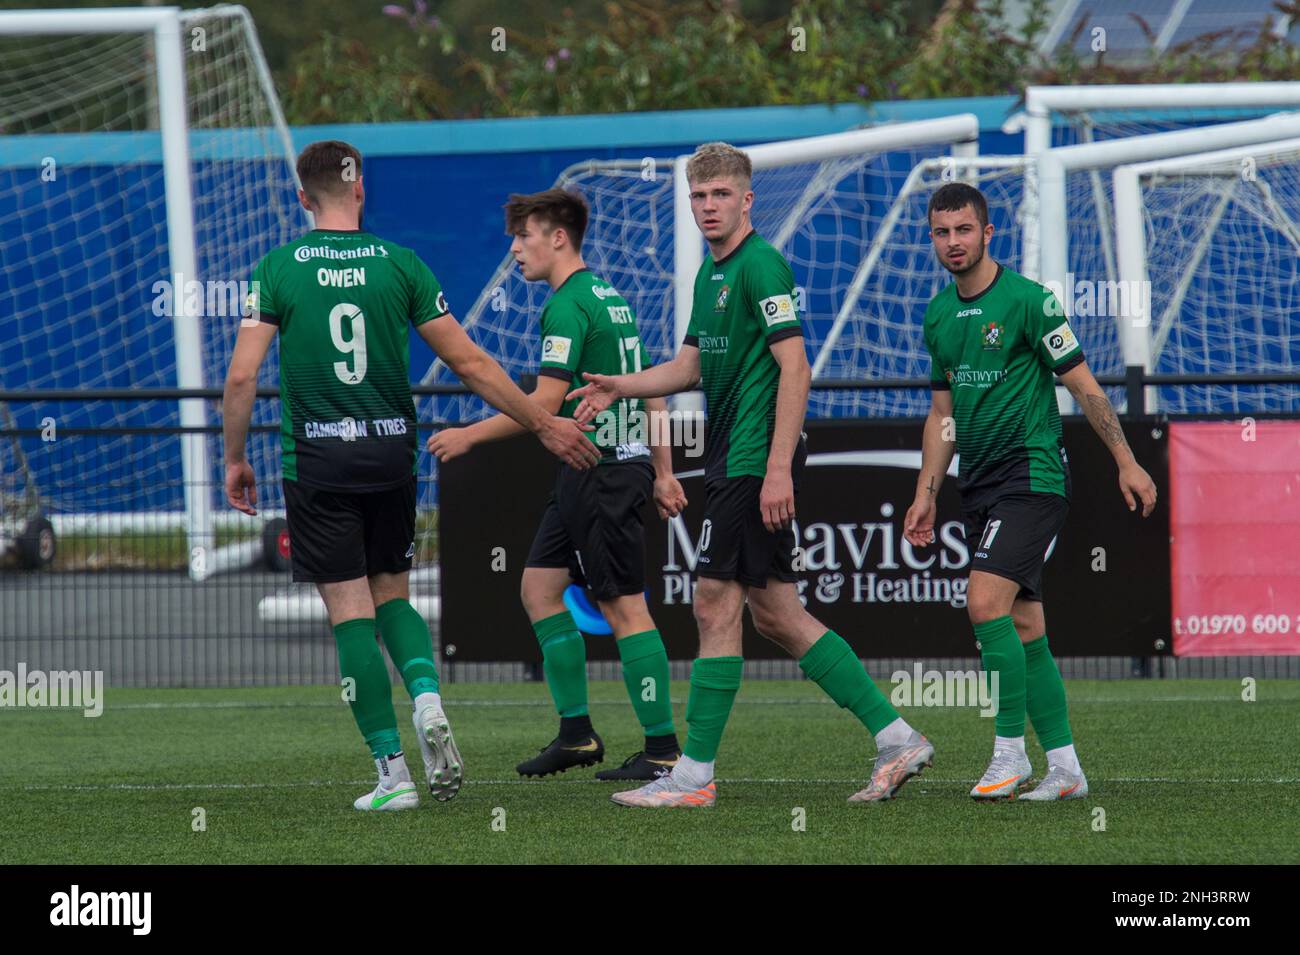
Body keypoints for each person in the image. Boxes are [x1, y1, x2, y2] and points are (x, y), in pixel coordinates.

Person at [222, 140, 599, 812]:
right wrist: (543, 425)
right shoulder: (402, 264)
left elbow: (243, 374)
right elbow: (474, 364)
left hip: (318, 460)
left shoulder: (277, 268)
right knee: (391, 592)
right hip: (390, 456)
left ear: (304, 198)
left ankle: (393, 772)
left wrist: (233, 458)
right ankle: (427, 694)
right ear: (360, 190)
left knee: (349, 614)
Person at [568, 142, 933, 808]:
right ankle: (897, 736)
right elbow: (687, 367)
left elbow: (796, 366)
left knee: (712, 601)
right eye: (698, 196)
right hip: (739, 458)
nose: (708, 206)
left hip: (753, 460)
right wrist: (619, 384)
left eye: (719, 195)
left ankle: (693, 775)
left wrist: (774, 470)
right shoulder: (712, 276)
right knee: (778, 614)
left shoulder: (761, 264)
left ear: (746, 199)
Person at [905, 181, 1158, 801]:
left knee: (983, 605)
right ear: (932, 238)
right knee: (1023, 628)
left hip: (1032, 476)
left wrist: (1127, 460)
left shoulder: (1029, 302)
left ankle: (1009, 755)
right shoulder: (938, 315)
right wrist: (927, 492)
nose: (954, 242)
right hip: (979, 486)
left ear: (988, 233)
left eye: (964, 229)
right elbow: (944, 416)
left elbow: (1084, 385)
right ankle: (1067, 770)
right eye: (942, 232)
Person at [429, 188, 687, 782]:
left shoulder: (569, 304)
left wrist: (469, 435)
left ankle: (663, 748)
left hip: (602, 472)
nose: (516, 249)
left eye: (524, 236)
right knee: (539, 589)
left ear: (558, 238)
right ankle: (576, 734)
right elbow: (650, 390)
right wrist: (664, 470)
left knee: (623, 606)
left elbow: (547, 402)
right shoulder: (609, 297)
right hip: (594, 472)